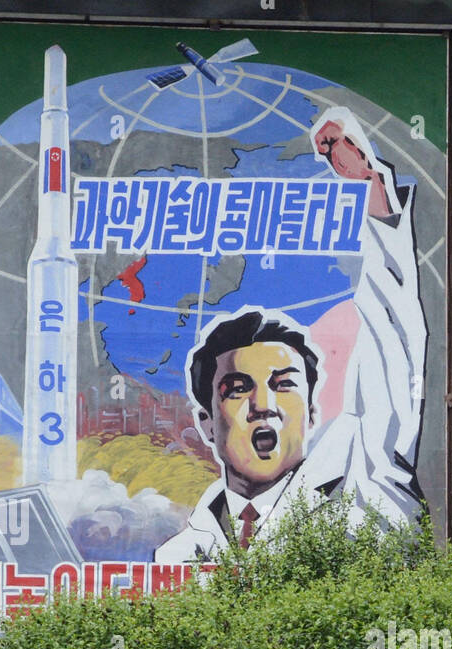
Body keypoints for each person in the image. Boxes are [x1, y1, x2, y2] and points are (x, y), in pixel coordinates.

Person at [155, 108, 426, 561]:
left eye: (284, 384)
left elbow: (393, 343)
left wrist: (370, 195)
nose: (266, 406)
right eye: (238, 389)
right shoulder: (180, 558)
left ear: (312, 412)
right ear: (206, 423)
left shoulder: (363, 493)